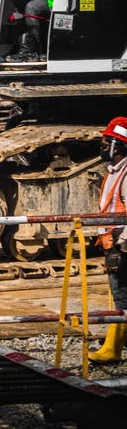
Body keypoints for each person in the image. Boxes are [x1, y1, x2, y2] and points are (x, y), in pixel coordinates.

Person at [88, 117, 127, 363]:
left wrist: (120, 249)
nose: (102, 146)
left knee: (121, 296)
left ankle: (112, 350)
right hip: (115, 244)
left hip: (122, 247)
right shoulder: (115, 171)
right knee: (120, 295)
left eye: (106, 142)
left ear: (120, 145)